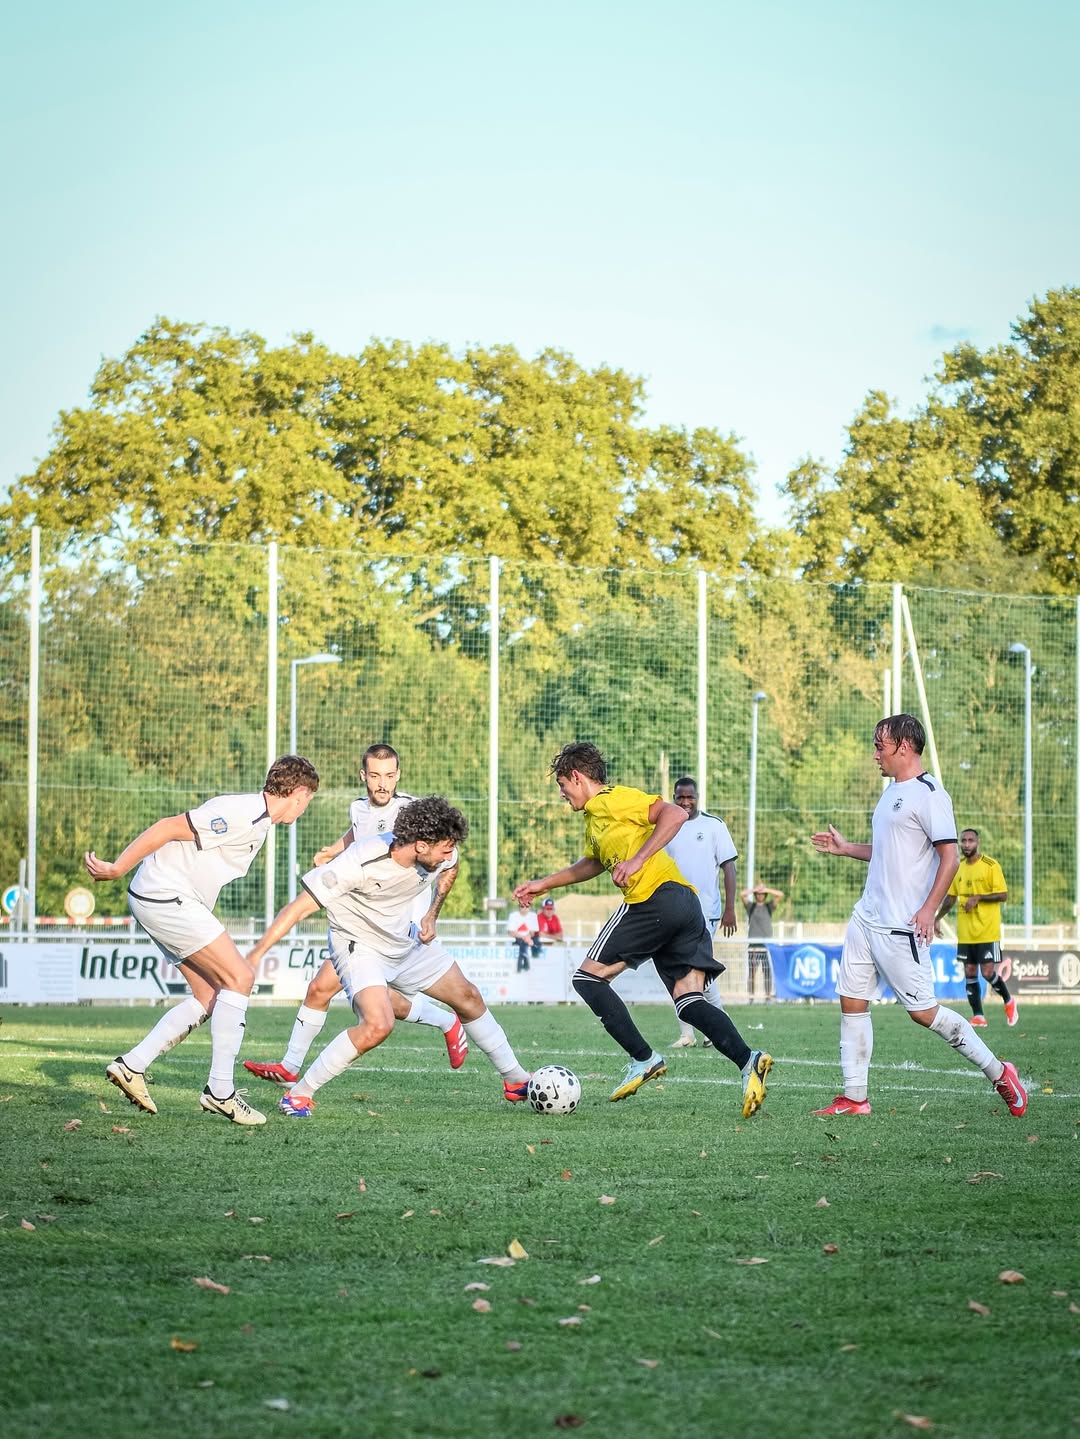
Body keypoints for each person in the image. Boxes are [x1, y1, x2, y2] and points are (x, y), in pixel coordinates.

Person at [513, 742, 771, 1114]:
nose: (561, 795)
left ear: (577, 777)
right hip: (683, 904)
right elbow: (593, 863)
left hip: (655, 899)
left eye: (562, 786)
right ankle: (750, 1060)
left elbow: (673, 815)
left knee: (588, 979)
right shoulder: (595, 819)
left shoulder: (612, 799)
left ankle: (644, 1058)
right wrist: (543, 884)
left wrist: (636, 860)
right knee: (689, 1002)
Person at [243, 797, 532, 1116]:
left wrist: (432, 915)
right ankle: (299, 1094)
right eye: (445, 848)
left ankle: (516, 1081)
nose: (450, 854)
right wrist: (256, 954)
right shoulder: (360, 862)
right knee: (378, 1025)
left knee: (468, 996)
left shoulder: (439, 853)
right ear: (421, 845)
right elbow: (299, 907)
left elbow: (452, 867)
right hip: (358, 946)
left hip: (402, 937)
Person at [84, 755, 321, 1126]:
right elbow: (167, 827)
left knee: (209, 996)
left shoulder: (259, 822)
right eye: (308, 799)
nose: (306, 808)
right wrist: (117, 867)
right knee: (240, 978)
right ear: (299, 793)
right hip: (164, 895)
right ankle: (220, 1091)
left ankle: (132, 1066)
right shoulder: (242, 812)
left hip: (161, 898)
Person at [810, 714, 1026, 1119]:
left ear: (904, 747)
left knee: (923, 1012)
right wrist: (846, 848)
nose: (875, 753)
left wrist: (928, 910)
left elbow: (948, 857)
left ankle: (1000, 1073)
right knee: (851, 1000)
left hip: (900, 926)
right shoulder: (892, 792)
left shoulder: (930, 795)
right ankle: (855, 1098)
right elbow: (890, 853)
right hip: (866, 917)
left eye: (880, 745)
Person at [243, 744, 467, 1086]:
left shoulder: (410, 811)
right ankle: (290, 1069)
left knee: (371, 1010)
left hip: (392, 927)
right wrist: (336, 849)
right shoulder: (358, 809)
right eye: (375, 775)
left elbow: (446, 856)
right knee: (324, 990)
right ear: (363, 776)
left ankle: (444, 1022)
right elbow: (360, 836)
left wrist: (431, 914)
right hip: (361, 923)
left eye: (389, 775)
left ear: (398, 776)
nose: (382, 783)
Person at [665, 776, 738, 1048]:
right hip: (673, 910)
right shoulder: (667, 826)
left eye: (689, 797)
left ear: (697, 797)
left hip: (704, 911)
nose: (685, 802)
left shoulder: (713, 826)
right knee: (677, 970)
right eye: (680, 797)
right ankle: (691, 1033)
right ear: (673, 797)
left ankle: (717, 1028)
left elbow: (729, 867)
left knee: (698, 971)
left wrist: (730, 909)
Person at [934, 828, 1017, 1028]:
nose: (966, 844)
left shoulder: (990, 865)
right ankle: (978, 1016)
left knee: (987, 973)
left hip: (987, 931)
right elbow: (951, 898)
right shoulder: (958, 867)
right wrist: (937, 918)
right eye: (963, 841)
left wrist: (978, 897)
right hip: (966, 933)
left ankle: (1009, 1000)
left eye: (970, 840)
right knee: (970, 971)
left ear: (977, 843)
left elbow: (1003, 895)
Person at [742, 881, 784, 1002]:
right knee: (752, 973)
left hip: (767, 946)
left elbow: (780, 894)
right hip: (754, 946)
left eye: (762, 894)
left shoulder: (768, 906)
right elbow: (742, 894)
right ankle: (751, 997)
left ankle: (767, 997)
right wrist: (755, 889)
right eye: (758, 894)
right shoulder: (751, 906)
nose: (760, 895)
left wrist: (766, 889)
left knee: (767, 972)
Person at [508, 899, 542, 971]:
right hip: (517, 938)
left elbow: (533, 932)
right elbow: (511, 932)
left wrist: (527, 938)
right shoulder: (513, 916)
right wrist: (524, 937)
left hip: (529, 938)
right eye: (522, 906)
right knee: (523, 943)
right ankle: (525, 964)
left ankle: (521, 965)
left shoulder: (533, 916)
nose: (524, 909)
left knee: (525, 944)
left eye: (527, 906)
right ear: (519, 907)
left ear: (530, 907)